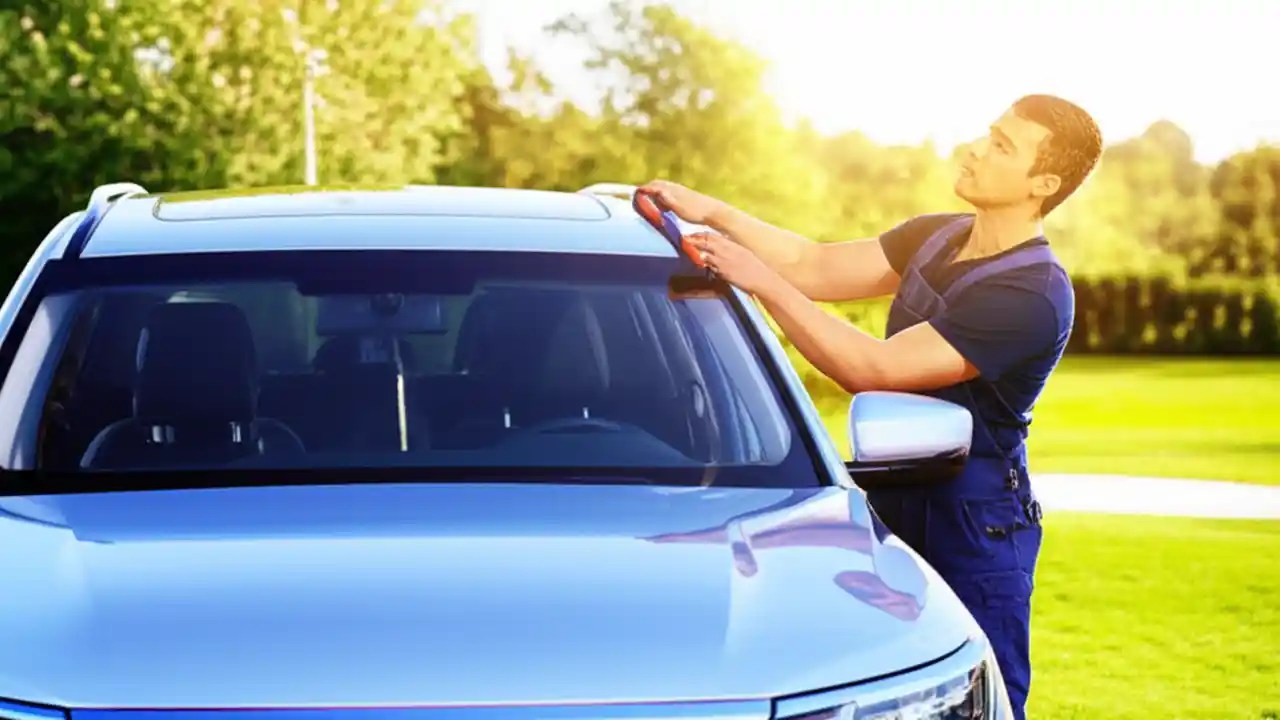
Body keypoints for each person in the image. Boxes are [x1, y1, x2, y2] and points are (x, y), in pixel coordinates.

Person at [639, 93, 1102, 720]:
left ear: (1043, 184)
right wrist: (712, 213)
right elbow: (815, 263)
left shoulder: (1032, 293)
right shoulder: (935, 235)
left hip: (977, 526)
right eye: (988, 133)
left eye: (1002, 147)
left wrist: (756, 278)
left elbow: (874, 369)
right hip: (891, 497)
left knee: (972, 699)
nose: (976, 149)